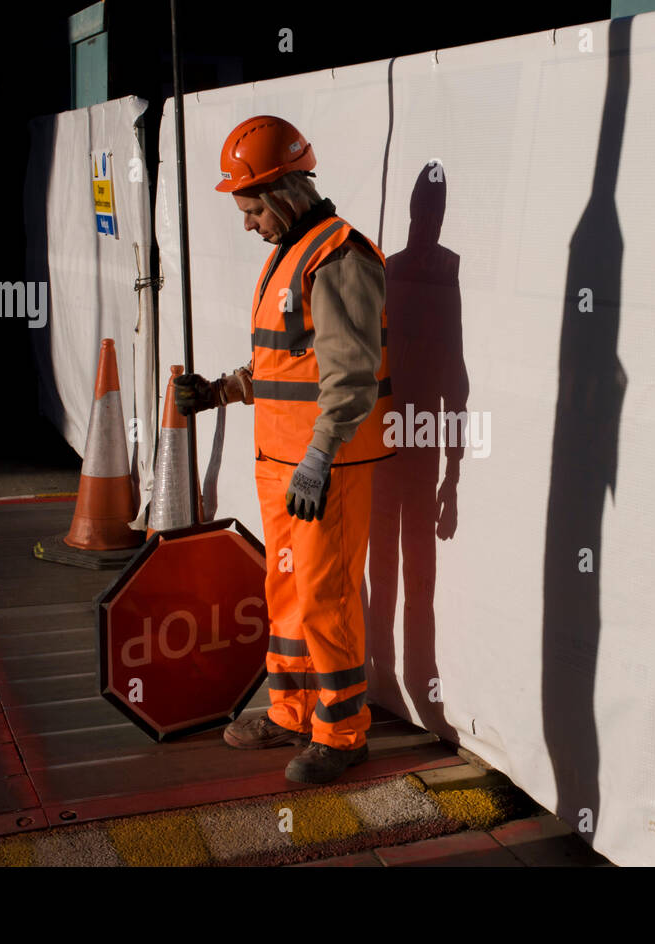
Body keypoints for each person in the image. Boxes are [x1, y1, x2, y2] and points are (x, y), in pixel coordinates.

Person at [173, 115, 394, 784]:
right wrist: (219, 391)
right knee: (288, 593)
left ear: (280, 192)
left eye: (248, 209)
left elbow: (350, 377)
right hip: (284, 466)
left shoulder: (338, 257)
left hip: (322, 469)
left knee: (325, 599)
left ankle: (342, 734)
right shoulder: (293, 253)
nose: (246, 225)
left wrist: (319, 457)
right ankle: (292, 711)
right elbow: (284, 364)